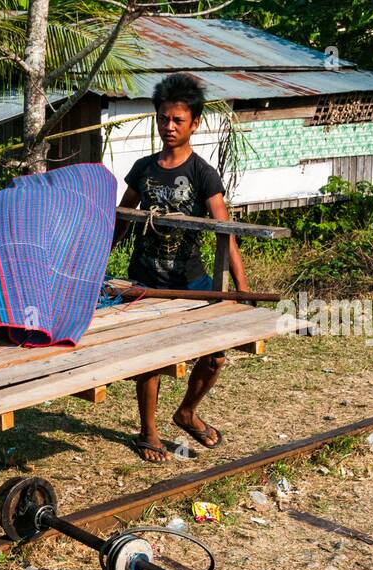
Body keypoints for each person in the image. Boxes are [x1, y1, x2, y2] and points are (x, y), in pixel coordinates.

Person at [112, 73, 250, 463]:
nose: (169, 127)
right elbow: (122, 220)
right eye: (162, 119)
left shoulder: (203, 174)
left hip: (191, 280)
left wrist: (241, 290)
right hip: (145, 278)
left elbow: (226, 233)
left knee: (215, 355)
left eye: (177, 120)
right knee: (151, 359)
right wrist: (92, 261)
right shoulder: (143, 169)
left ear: (195, 124)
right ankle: (148, 432)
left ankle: (187, 411)